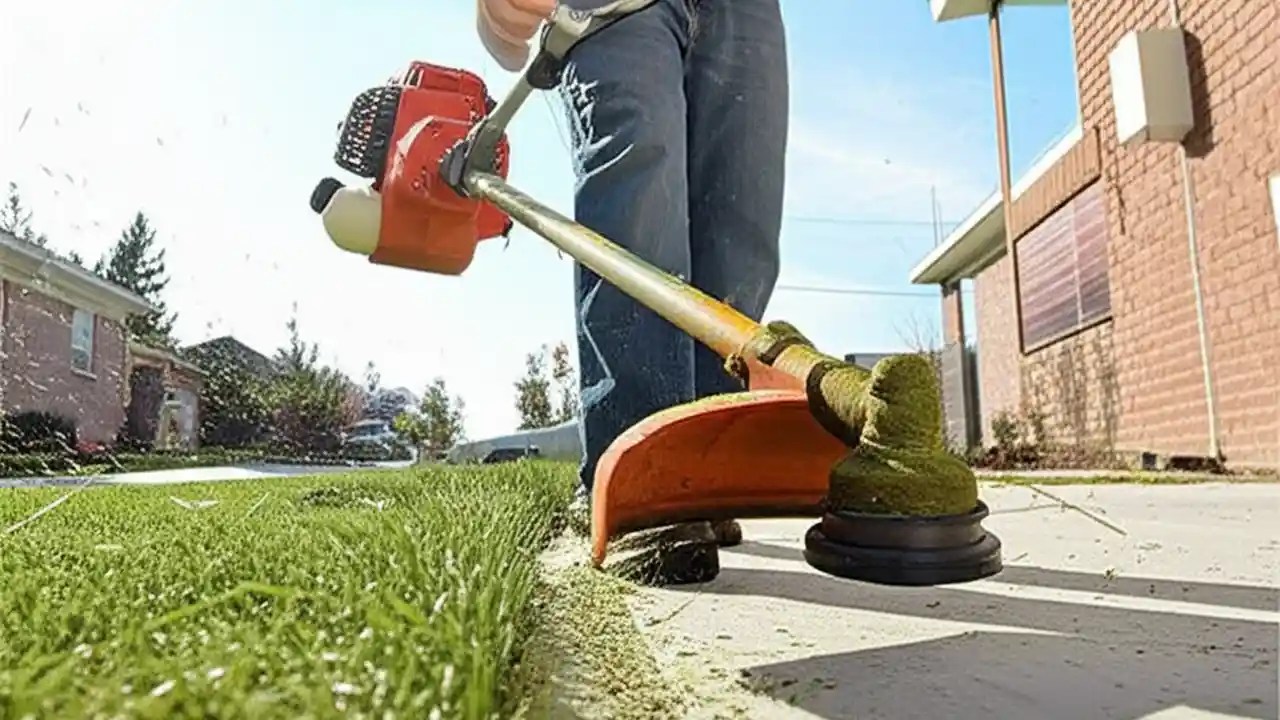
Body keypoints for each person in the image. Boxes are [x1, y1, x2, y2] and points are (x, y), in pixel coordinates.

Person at [476, 0, 788, 584]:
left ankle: (704, 470)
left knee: (740, 222)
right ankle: (640, 475)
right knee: (640, 198)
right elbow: (505, 33)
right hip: (613, 11)